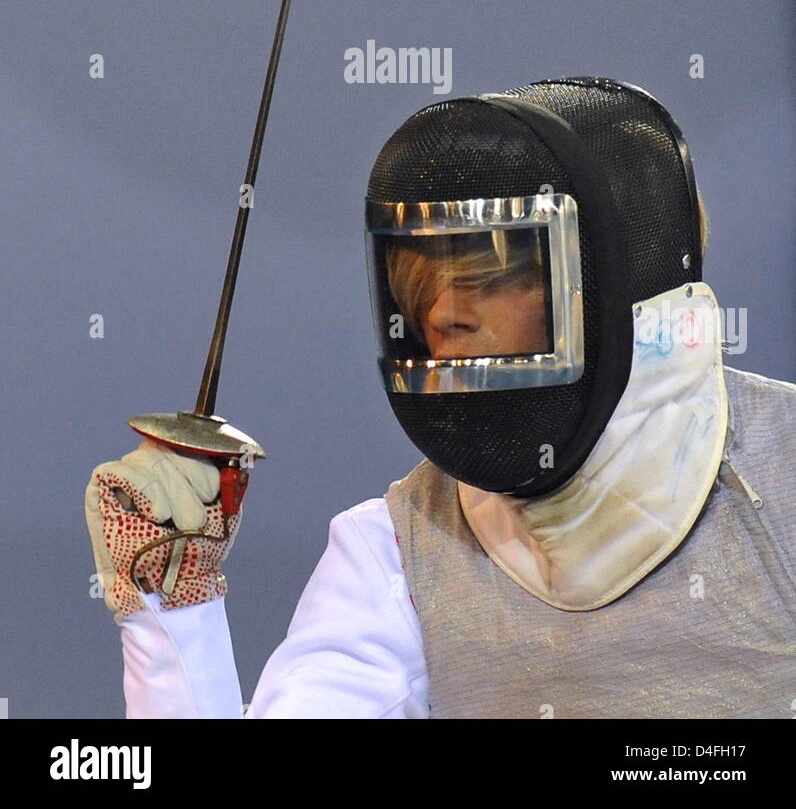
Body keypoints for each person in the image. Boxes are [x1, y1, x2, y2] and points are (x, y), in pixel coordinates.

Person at [86, 76, 796, 719]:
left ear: (615, 289)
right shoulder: (397, 550)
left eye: (495, 275)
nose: (441, 316)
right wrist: (172, 610)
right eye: (421, 284)